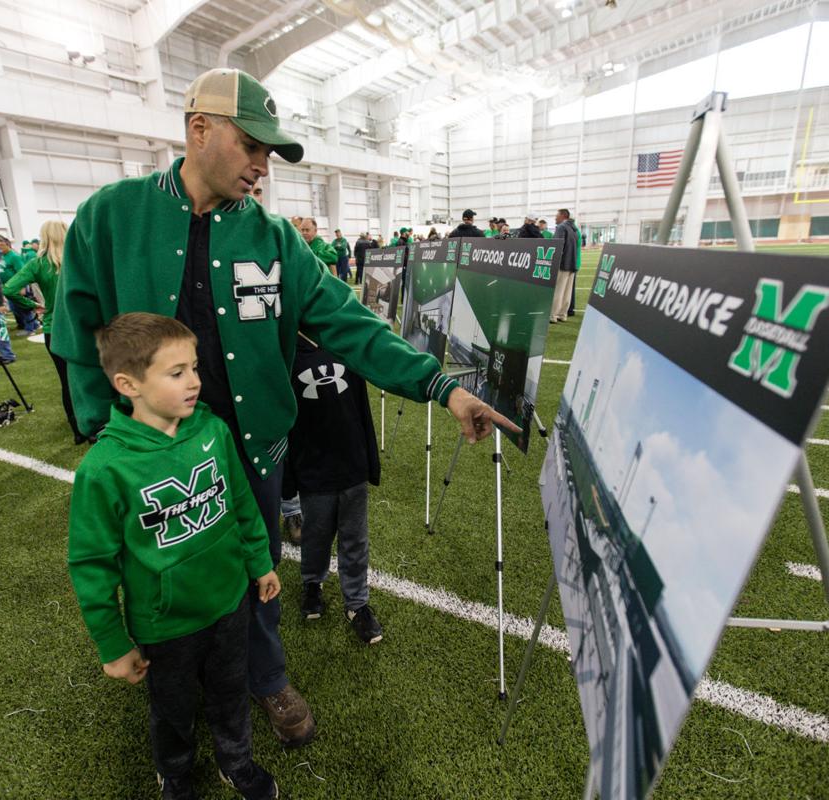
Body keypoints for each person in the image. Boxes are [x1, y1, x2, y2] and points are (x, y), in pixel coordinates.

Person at [52, 67, 517, 750]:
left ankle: (266, 677)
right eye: (252, 146)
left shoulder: (276, 241)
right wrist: (102, 432)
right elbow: (77, 328)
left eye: (270, 153)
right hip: (149, 452)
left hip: (254, 447)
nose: (262, 167)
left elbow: (349, 323)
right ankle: (173, 681)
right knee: (160, 571)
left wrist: (441, 385)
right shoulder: (112, 214)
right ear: (199, 129)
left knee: (258, 567)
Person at [68, 313, 281, 800]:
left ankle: (236, 760)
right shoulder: (105, 468)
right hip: (165, 625)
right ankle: (176, 771)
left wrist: (259, 562)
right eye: (177, 372)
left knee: (231, 694)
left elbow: (241, 502)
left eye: (195, 367)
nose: (196, 381)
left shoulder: (212, 429)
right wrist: (112, 643)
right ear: (128, 384)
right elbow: (91, 563)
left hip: (230, 604)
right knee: (172, 707)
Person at [286, 336, 383, 644]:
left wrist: (370, 461)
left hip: (351, 468)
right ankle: (312, 584)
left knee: (356, 539)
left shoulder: (344, 345)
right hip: (313, 472)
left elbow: (362, 409)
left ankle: (356, 604)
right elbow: (284, 424)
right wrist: (289, 480)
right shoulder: (286, 356)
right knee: (315, 534)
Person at [2, 220, 82, 442]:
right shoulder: (80, 259)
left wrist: (33, 305)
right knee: (89, 376)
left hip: (54, 327)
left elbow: (9, 288)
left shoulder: (38, 263)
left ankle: (77, 430)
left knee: (66, 381)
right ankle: (96, 425)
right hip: (82, 326)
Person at [0, 234, 39, 333]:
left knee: (22, 307)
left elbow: (22, 272)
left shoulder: (14, 256)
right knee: (15, 308)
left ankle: (30, 328)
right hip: (8, 286)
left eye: (1, 246)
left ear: (7, 244)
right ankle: (34, 324)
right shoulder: (3, 256)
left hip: (16, 287)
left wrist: (22, 287)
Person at [551, 208, 579, 323]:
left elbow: (558, 245)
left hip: (562, 263)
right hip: (572, 263)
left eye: (556, 215)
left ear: (563, 216)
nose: (555, 218)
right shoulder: (574, 229)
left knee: (558, 290)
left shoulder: (561, 227)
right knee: (567, 291)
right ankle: (563, 314)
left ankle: (553, 315)